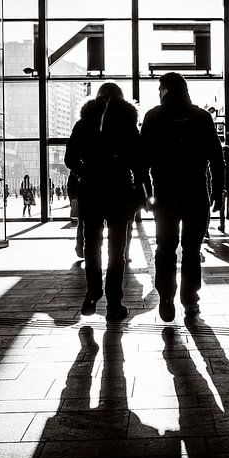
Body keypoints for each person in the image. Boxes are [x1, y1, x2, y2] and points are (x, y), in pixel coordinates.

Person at [140, 72, 224, 322]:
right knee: (191, 249)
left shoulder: (153, 117)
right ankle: (190, 300)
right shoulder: (201, 117)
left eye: (160, 89)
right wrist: (218, 191)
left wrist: (146, 192)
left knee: (165, 247)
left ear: (165, 90)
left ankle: (166, 297)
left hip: (165, 193)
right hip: (196, 192)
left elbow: (142, 160)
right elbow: (216, 158)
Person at [66, 82, 144, 321]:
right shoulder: (128, 124)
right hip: (119, 190)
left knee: (92, 245)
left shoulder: (83, 123)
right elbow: (138, 160)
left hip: (91, 191)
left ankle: (93, 290)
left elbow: (70, 159)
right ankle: (113, 304)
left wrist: (85, 171)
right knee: (117, 249)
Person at [66, 170, 83, 259]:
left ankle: (80, 247)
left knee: (82, 224)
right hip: (83, 198)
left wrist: (72, 199)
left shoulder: (76, 171)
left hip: (81, 197)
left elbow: (70, 187)